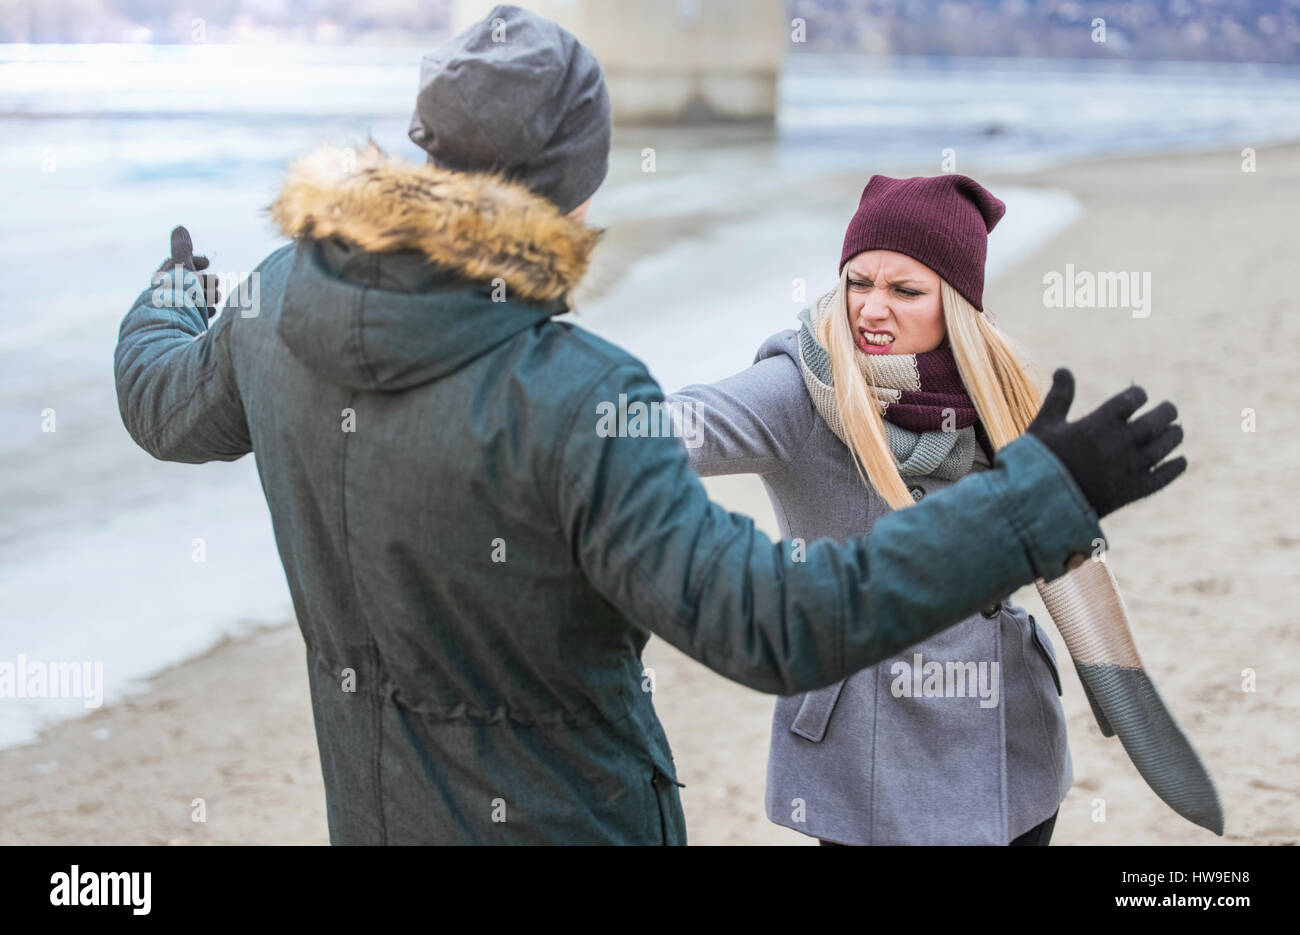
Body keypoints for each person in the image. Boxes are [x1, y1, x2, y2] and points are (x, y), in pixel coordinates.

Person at [113, 5, 1185, 844]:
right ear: (577, 191)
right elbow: (776, 622)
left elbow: (163, 404)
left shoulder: (266, 307)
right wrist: (1034, 494)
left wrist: (171, 297)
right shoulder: (574, 397)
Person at [666, 174, 1176, 845]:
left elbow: (1042, 553)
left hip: (1009, 735)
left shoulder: (995, 391)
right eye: (858, 282)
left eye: (905, 290)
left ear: (955, 304)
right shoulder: (798, 390)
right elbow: (671, 427)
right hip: (869, 757)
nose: (871, 309)